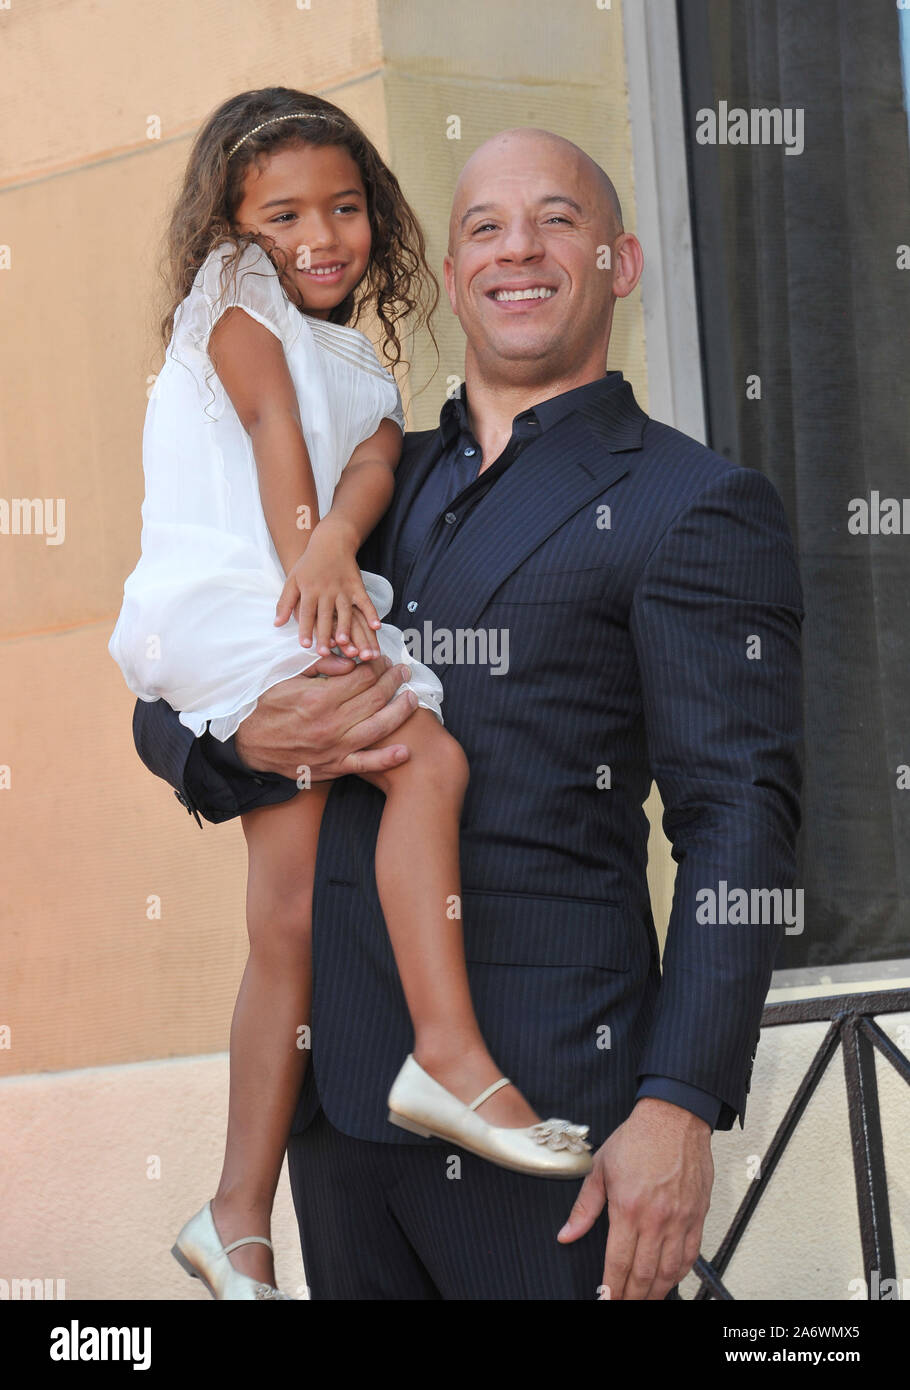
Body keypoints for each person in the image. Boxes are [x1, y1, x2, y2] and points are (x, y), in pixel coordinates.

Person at [131, 124, 805, 1300]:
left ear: (621, 264)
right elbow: (174, 689)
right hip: (338, 1129)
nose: (519, 250)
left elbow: (740, 816)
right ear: (451, 274)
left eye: (559, 219)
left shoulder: (693, 500)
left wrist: (679, 1101)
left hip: (552, 1112)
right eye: (484, 227)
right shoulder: (363, 492)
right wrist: (238, 742)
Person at [109, 93, 593, 1302]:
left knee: (285, 928)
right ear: (227, 225)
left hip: (273, 599)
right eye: (282, 213)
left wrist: (343, 522)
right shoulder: (236, 301)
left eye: (343, 208)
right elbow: (277, 427)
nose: (320, 235)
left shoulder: (363, 371)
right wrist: (317, 556)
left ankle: (232, 1216)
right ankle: (445, 1051)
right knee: (424, 760)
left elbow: (369, 449)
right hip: (252, 598)